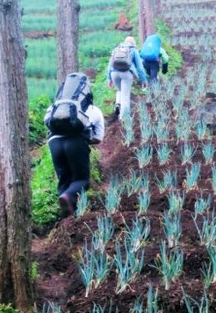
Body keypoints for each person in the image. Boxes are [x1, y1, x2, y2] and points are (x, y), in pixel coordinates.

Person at [47, 88, 105, 218]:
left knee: (64, 179)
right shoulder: (93, 110)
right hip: (75, 142)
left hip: (54, 142)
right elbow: (98, 138)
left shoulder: (56, 107)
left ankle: (67, 217)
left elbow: (47, 123)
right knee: (82, 180)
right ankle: (68, 198)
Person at [106, 36, 148, 117]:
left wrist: (109, 79)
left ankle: (118, 104)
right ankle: (124, 118)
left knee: (119, 90)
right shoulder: (133, 49)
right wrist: (144, 80)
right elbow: (140, 67)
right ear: (133, 43)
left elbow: (110, 64)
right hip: (126, 73)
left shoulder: (116, 49)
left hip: (114, 72)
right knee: (125, 95)